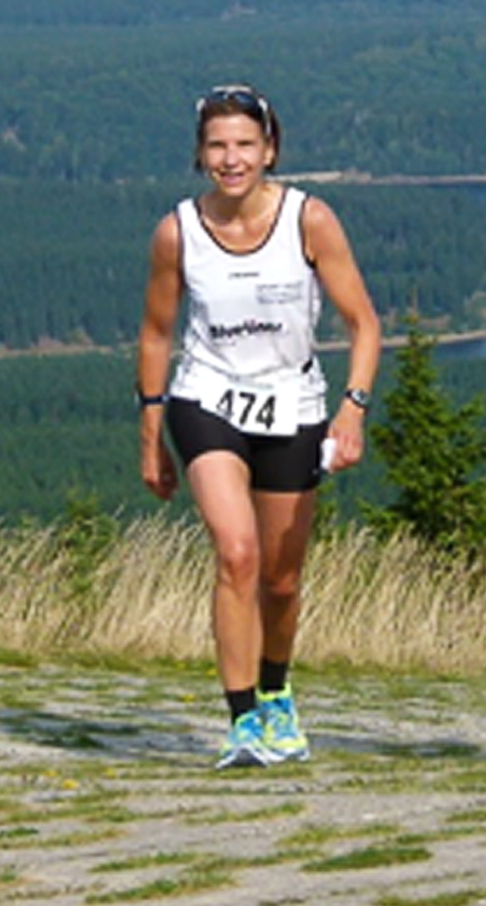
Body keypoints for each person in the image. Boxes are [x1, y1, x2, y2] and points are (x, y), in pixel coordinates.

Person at [137, 84, 382, 768]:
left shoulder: (310, 220)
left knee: (280, 578)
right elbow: (156, 333)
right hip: (206, 399)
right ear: (199, 153)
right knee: (236, 552)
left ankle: (276, 693)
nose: (231, 159)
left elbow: (363, 323)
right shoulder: (177, 232)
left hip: (291, 405)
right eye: (217, 146)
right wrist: (151, 436)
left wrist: (353, 408)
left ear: (270, 149)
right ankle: (242, 718)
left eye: (245, 144)